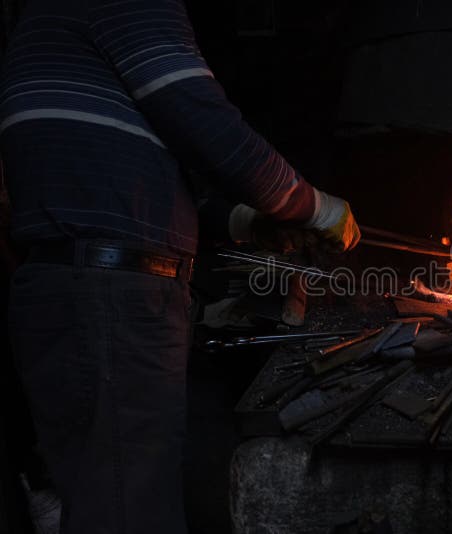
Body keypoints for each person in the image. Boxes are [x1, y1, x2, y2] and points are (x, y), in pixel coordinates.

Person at [0, 1, 360, 533]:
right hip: (111, 297)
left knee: (113, 499)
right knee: (130, 511)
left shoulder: (58, 17)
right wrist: (318, 208)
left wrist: (247, 222)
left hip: (85, 288)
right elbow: (209, 127)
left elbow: (144, 167)